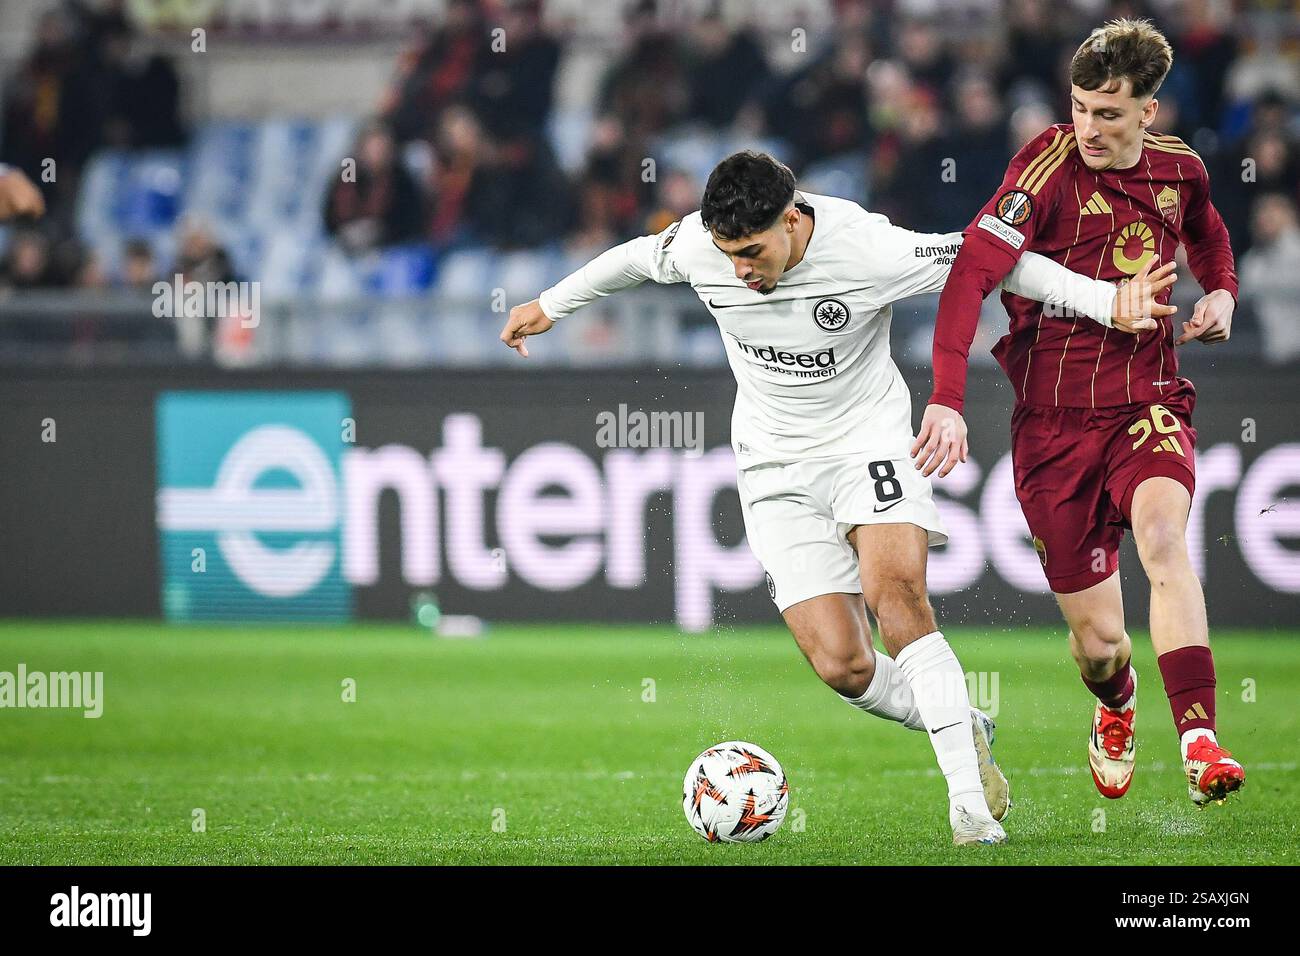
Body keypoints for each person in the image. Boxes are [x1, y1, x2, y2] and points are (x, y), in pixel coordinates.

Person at [500, 150, 1170, 845]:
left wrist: (1103, 301)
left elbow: (990, 258)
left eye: (753, 252)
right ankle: (961, 724)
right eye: (728, 255)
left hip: (868, 446)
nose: (740, 271)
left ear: (792, 220)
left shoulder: (868, 247)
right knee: (842, 666)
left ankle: (969, 807)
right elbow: (636, 258)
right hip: (773, 467)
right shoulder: (702, 244)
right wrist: (549, 306)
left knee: (898, 600)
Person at [917, 19, 1246, 808]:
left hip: (1148, 403)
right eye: (1079, 107)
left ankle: (1200, 739)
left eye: (1106, 113)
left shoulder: (1181, 169)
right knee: (1099, 645)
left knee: (1165, 540)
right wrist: (946, 397)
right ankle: (1116, 705)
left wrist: (1223, 288)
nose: (1087, 129)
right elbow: (971, 276)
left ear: (1148, 113)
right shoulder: (1044, 166)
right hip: (1053, 427)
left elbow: (1207, 232)